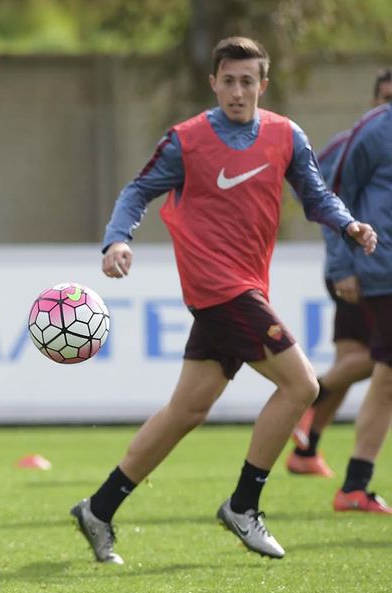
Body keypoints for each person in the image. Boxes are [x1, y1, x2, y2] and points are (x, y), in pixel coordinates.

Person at [71, 36, 377, 564]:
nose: (238, 91)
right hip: (217, 288)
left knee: (187, 409)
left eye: (247, 81)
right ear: (213, 83)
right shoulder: (187, 140)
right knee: (302, 385)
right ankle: (243, 505)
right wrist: (117, 239)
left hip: (247, 286)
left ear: (263, 84)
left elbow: (315, 195)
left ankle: (98, 508)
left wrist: (348, 224)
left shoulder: (286, 135)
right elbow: (137, 191)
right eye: (228, 81)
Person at [288, 68, 392, 479]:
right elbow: (321, 196)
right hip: (361, 267)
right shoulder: (357, 140)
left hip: (369, 267)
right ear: (374, 101)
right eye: (385, 97)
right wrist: (342, 263)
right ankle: (304, 399)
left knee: (354, 360)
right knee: (371, 361)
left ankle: (307, 448)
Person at [319, 98, 392, 513]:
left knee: (386, 375)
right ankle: (306, 408)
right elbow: (331, 194)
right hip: (382, 269)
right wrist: (342, 264)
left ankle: (353, 486)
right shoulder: (374, 130)